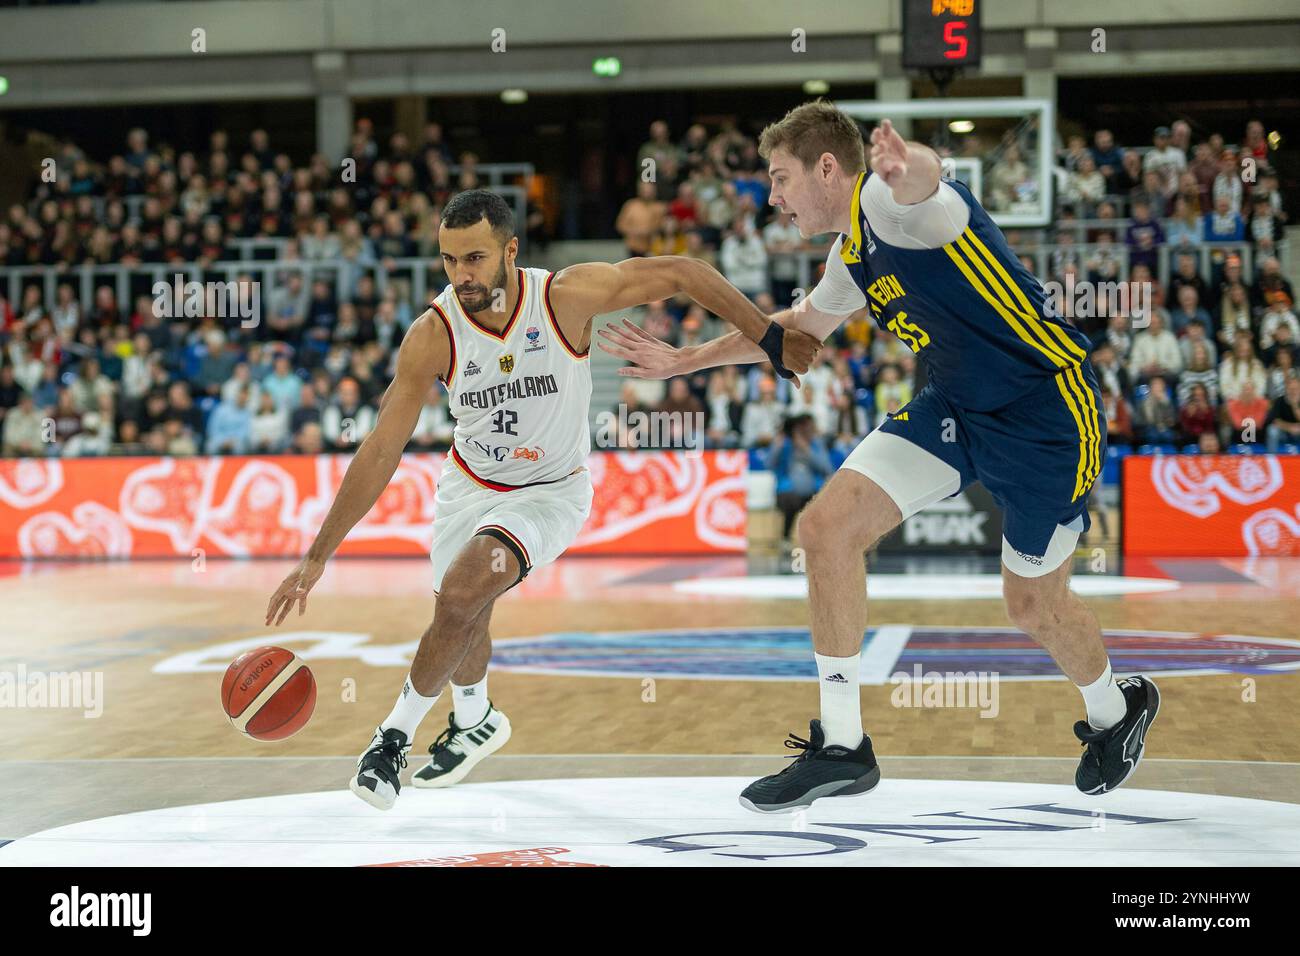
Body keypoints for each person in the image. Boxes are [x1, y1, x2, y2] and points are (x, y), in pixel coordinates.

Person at [602, 102, 1158, 812]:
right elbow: (800, 330)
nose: (771, 197)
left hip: (1045, 414)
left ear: (828, 168)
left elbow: (927, 189)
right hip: (953, 405)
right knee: (824, 528)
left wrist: (910, 164)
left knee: (1032, 605)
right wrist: (686, 361)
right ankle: (842, 746)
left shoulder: (899, 210)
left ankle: (1117, 708)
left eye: (780, 178)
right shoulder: (852, 254)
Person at [264, 189, 819, 811]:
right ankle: (475, 718)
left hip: (551, 492)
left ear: (510, 249)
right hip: (467, 488)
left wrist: (769, 337)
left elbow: (685, 272)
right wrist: (316, 557)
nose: (460, 274)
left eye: (473, 257)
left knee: (467, 589)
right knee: (460, 618)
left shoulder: (564, 297)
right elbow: (381, 449)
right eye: (448, 260)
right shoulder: (432, 334)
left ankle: (391, 738)